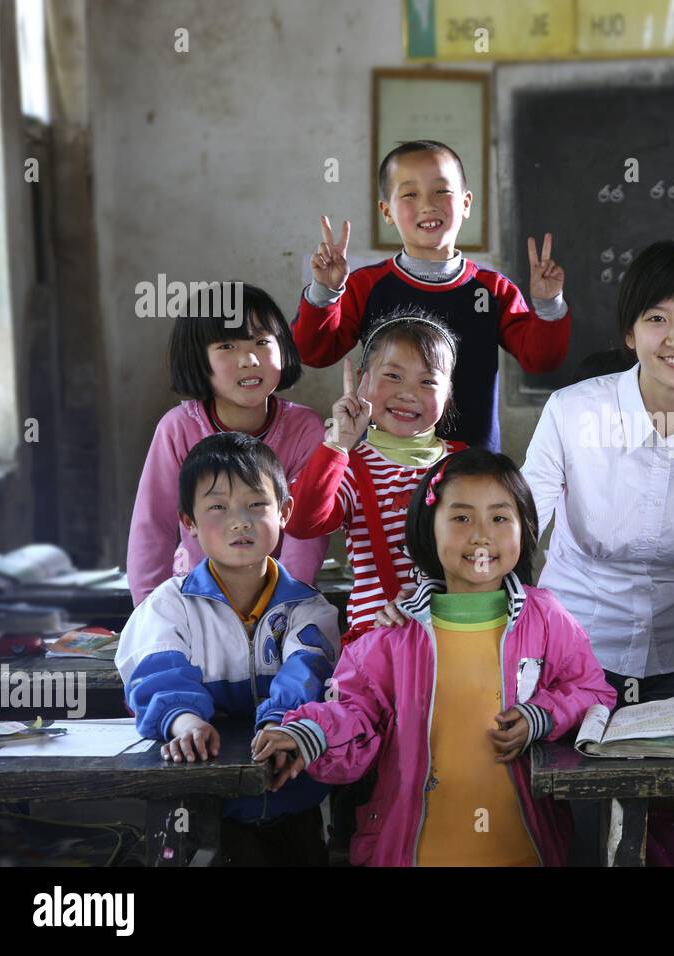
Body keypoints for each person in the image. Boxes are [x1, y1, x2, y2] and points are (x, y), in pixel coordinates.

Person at [252, 449, 615, 866]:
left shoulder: (547, 618)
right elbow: (353, 712)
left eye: (500, 518)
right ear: (430, 529)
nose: (481, 535)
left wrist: (541, 716)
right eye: (461, 518)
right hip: (416, 852)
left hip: (524, 849)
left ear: (525, 528)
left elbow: (592, 692)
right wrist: (306, 735)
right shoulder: (392, 635)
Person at [521, 240, 674, 713]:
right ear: (630, 334)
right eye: (657, 318)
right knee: (576, 780)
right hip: (575, 644)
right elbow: (519, 525)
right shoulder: (572, 412)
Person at [116, 432, 340, 865]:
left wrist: (281, 726)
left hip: (294, 796)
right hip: (203, 805)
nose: (240, 521)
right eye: (218, 507)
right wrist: (184, 721)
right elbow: (155, 670)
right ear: (189, 522)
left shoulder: (308, 608)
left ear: (286, 512)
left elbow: (307, 672)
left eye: (257, 505)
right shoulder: (169, 606)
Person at [292, 140, 569, 450]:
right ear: (387, 211)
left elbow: (541, 360)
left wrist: (547, 304)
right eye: (410, 194)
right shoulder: (366, 285)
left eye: (442, 191)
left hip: (470, 465)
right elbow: (315, 353)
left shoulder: (493, 289)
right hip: (384, 463)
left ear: (466, 203)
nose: (428, 204)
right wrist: (325, 291)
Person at [128, 284, 327, 603]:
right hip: (194, 599)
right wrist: (150, 613)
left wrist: (285, 608)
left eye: (262, 342)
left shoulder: (305, 429)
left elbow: (305, 531)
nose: (248, 359)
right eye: (226, 346)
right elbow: (153, 526)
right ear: (197, 359)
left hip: (276, 600)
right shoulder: (178, 429)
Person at [284, 312, 465, 642]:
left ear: (448, 392)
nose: (408, 393)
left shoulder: (466, 465)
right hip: (376, 647)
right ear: (362, 380)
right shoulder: (350, 466)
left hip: (456, 639)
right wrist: (338, 442)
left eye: (427, 382)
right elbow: (301, 523)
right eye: (393, 376)